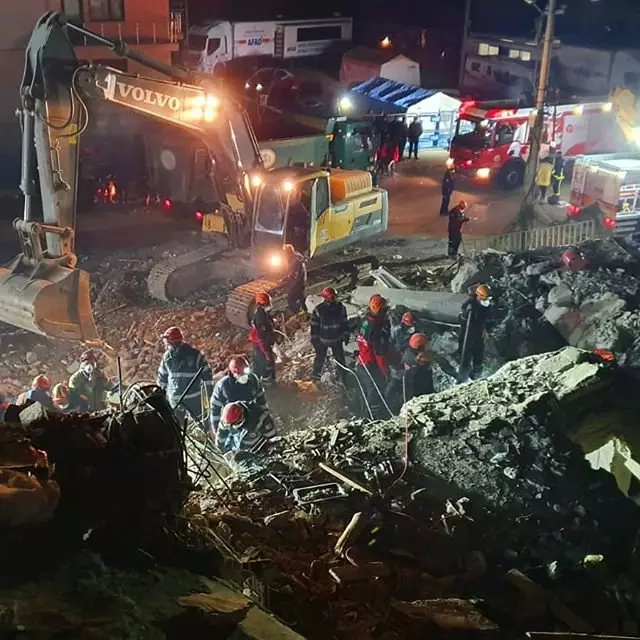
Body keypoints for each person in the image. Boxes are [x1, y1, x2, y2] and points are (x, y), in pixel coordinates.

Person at [156, 327, 213, 424]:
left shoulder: (170, 357)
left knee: (182, 428)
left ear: (170, 342)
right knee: (197, 426)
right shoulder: (194, 355)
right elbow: (162, 380)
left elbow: (162, 381)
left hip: (184, 401)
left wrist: (209, 396)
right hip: (185, 401)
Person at [210, 357, 268, 436]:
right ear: (233, 373)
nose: (244, 376)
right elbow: (214, 409)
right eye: (241, 374)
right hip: (232, 420)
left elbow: (261, 399)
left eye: (246, 373)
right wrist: (216, 429)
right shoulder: (223, 386)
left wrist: (265, 417)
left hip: (250, 416)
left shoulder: (253, 380)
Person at [310, 287, 349, 381]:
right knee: (339, 359)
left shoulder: (319, 309)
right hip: (335, 339)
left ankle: (316, 375)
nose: (333, 299)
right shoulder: (340, 307)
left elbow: (314, 326)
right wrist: (346, 334)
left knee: (320, 357)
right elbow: (345, 323)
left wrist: (314, 340)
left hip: (325, 339)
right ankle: (342, 376)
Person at [458, 284, 492, 381]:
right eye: (484, 299)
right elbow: (460, 319)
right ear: (478, 296)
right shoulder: (469, 306)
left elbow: (489, 319)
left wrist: (487, 329)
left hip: (479, 335)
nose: (486, 301)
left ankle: (476, 376)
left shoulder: (486, 305)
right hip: (467, 336)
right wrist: (464, 316)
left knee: (478, 355)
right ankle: (462, 378)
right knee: (465, 356)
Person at [359, 294, 392, 378]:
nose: (386, 311)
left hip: (364, 358)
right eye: (384, 309)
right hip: (371, 364)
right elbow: (379, 353)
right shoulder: (375, 327)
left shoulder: (366, 320)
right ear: (379, 310)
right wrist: (386, 373)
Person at [250, 292, 277, 382]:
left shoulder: (261, 313)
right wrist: (265, 352)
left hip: (259, 346)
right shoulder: (260, 317)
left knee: (259, 367)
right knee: (267, 367)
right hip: (261, 346)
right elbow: (261, 336)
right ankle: (270, 387)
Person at [280, 244, 307, 314]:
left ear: (287, 253)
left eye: (284, 253)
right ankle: (305, 310)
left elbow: (294, 274)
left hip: (297, 283)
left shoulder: (294, 261)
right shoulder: (296, 256)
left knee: (290, 300)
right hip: (301, 281)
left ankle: (299, 313)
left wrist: (284, 279)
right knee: (301, 297)